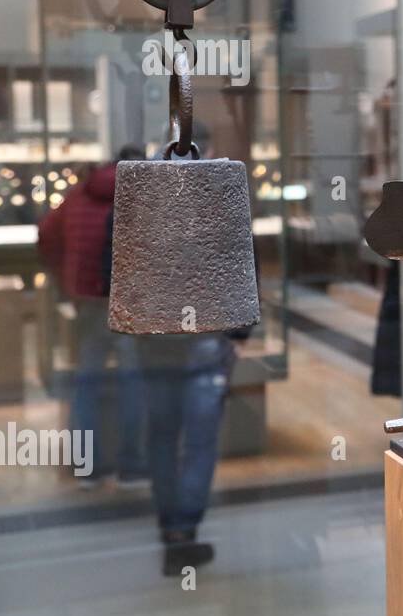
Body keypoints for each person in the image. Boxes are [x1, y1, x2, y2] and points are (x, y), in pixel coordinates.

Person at [133, 121, 251, 577]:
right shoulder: (216, 203)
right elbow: (241, 268)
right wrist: (237, 337)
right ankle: (183, 530)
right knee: (197, 445)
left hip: (157, 348)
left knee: (162, 438)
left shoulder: (147, 206)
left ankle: (171, 528)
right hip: (203, 345)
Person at [37, 144, 149, 488]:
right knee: (134, 384)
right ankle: (131, 467)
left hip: (88, 302)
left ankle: (88, 468)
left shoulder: (78, 194)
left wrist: (64, 278)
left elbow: (45, 235)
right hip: (128, 304)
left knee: (86, 384)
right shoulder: (140, 196)